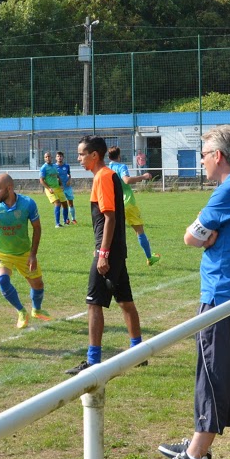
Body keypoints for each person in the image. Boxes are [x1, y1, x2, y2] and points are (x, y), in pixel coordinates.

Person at [152, 124, 230, 459]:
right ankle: (197, 442)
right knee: (216, 370)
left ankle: (196, 454)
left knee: (212, 372)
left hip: (223, 293)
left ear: (218, 156)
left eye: (203, 156)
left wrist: (204, 238)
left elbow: (190, 236)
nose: (201, 162)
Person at [65, 136, 143, 375]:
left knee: (93, 303)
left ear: (94, 155)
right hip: (113, 248)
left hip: (110, 251)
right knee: (125, 301)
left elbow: (109, 217)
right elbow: (104, 220)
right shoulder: (104, 176)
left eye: (81, 154)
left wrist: (103, 253)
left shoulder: (104, 177)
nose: (78, 158)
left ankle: (93, 360)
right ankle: (138, 353)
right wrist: (100, 245)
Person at [0, 173, 52, 328]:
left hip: (24, 253)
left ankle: (36, 309)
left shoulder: (27, 204)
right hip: (0, 253)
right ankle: (21, 311)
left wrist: (33, 255)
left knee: (38, 285)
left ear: (9, 188)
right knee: (2, 280)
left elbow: (37, 228)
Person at [107, 145, 160, 266]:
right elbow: (126, 180)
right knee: (139, 231)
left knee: (111, 232)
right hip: (127, 203)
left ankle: (107, 258)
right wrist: (143, 177)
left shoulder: (107, 168)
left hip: (114, 204)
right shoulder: (121, 166)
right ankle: (149, 258)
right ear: (119, 156)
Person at [38, 151, 67, 228]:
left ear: (51, 157)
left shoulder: (54, 166)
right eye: (46, 157)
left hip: (58, 188)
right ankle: (57, 224)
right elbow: (41, 180)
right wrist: (48, 188)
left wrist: (61, 185)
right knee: (57, 203)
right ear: (44, 158)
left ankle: (66, 221)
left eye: (49, 156)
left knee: (65, 203)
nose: (47, 158)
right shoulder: (43, 168)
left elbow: (57, 176)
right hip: (50, 189)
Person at [57, 154, 77, 225]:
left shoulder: (67, 166)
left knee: (70, 204)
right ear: (56, 158)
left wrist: (69, 180)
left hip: (68, 188)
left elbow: (69, 174)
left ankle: (73, 219)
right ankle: (66, 219)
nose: (59, 158)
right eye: (58, 156)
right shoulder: (54, 167)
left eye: (61, 156)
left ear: (63, 157)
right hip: (60, 189)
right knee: (63, 204)